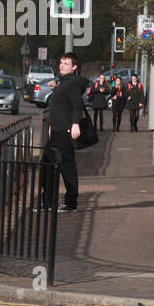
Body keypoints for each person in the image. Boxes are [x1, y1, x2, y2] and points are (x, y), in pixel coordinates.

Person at [43, 52, 90, 212]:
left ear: (74, 67)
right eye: (61, 62)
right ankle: (48, 202)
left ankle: (70, 203)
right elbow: (65, 102)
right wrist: (56, 88)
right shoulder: (64, 83)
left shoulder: (72, 84)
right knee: (48, 165)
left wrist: (75, 123)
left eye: (66, 63)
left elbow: (76, 104)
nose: (62, 65)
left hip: (64, 132)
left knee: (66, 167)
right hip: (57, 131)